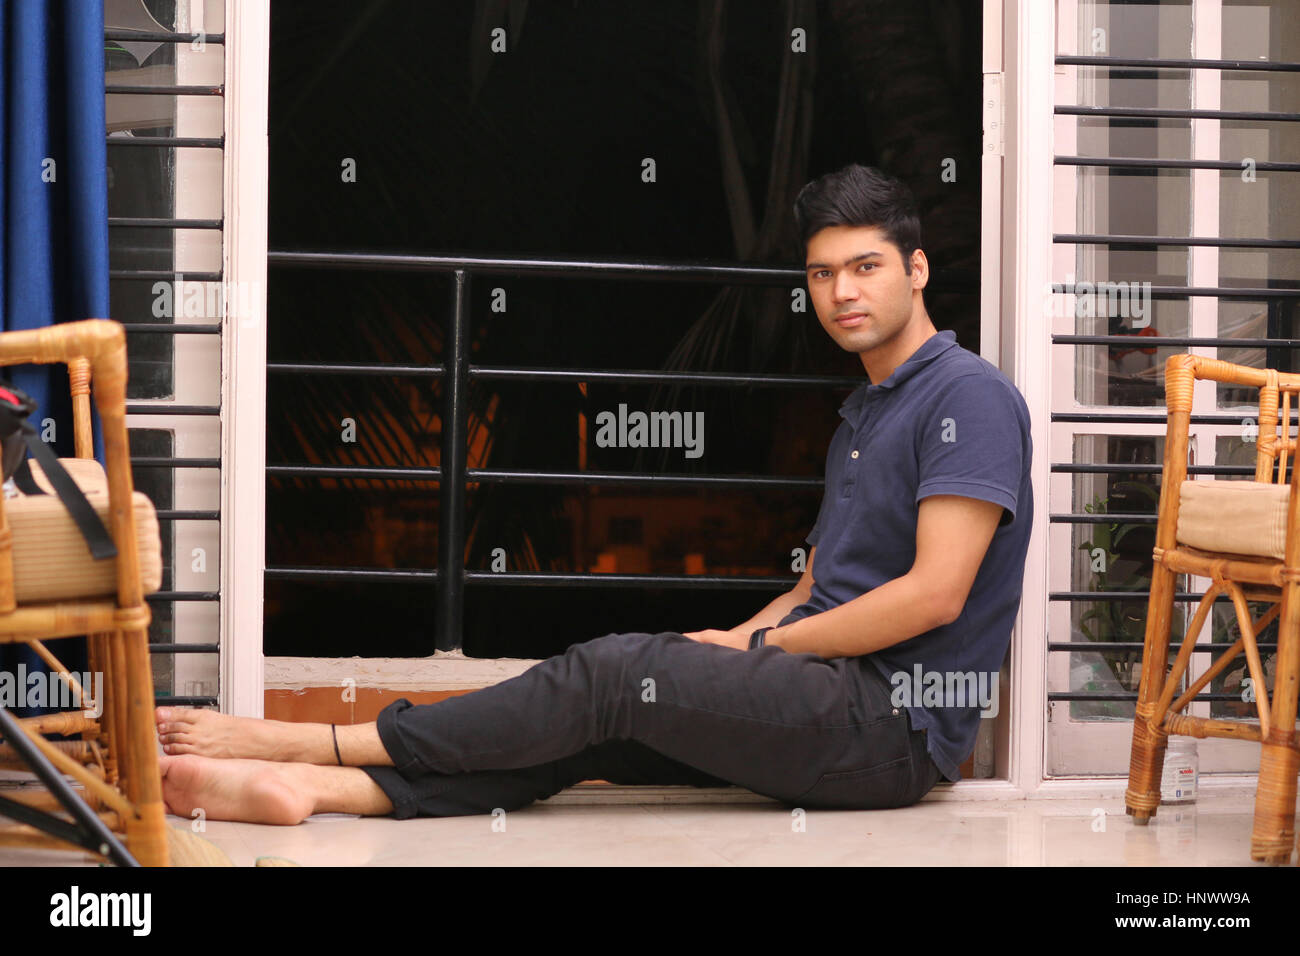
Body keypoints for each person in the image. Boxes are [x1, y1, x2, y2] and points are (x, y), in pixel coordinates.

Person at [154, 164, 1034, 825]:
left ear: (917, 270)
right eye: (820, 273)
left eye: (866, 266)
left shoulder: (967, 396)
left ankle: (311, 740)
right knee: (615, 724)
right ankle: (324, 788)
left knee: (620, 674)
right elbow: (816, 590)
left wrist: (761, 647)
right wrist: (733, 642)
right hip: (829, 696)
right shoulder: (865, 413)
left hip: (888, 728)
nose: (841, 292)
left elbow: (934, 592)